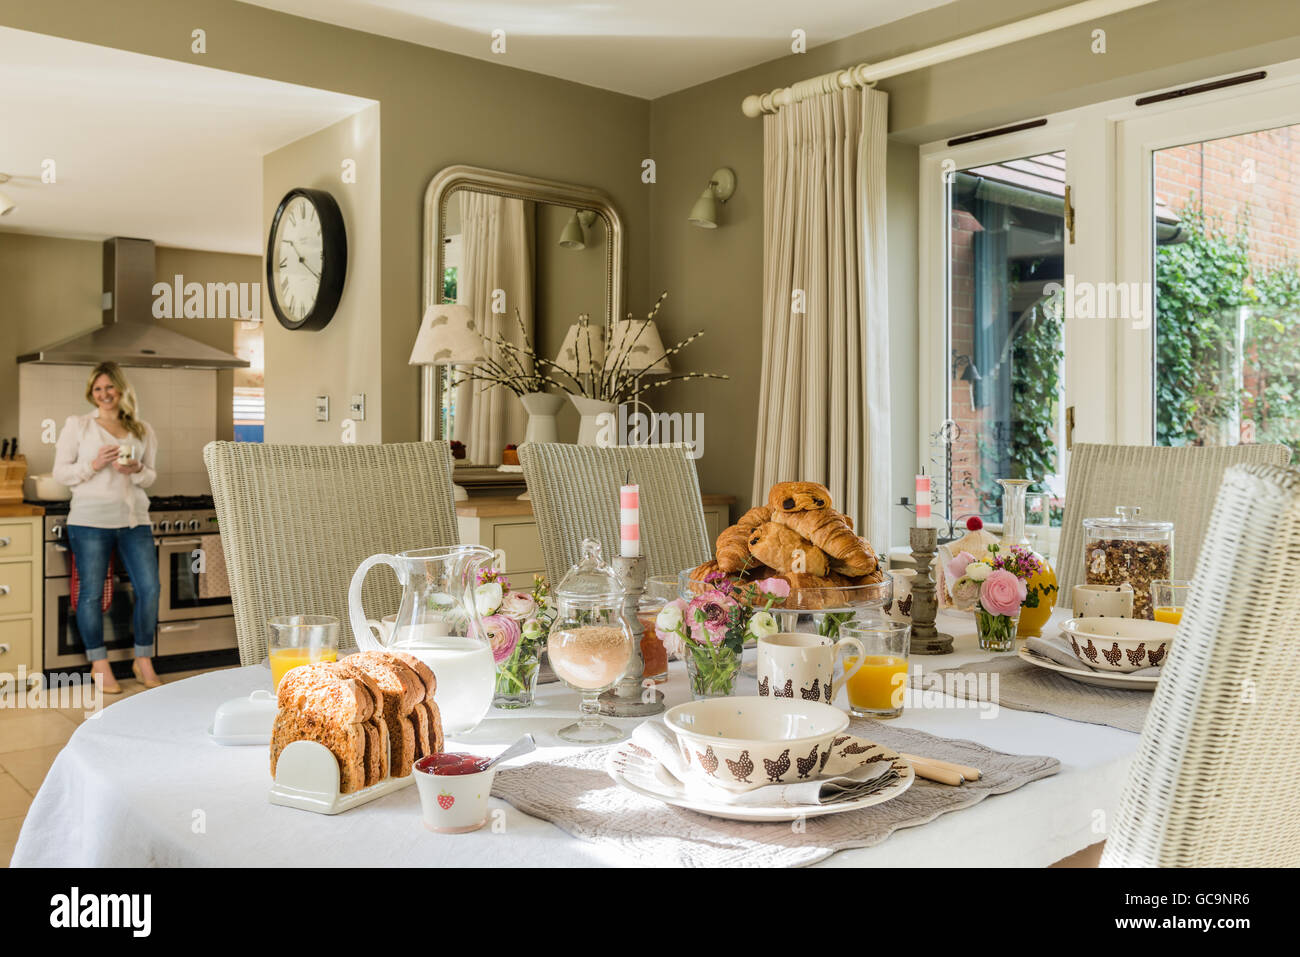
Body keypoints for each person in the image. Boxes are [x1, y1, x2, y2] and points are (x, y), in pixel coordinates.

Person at [52, 361, 161, 693]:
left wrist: (137, 470)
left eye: (109, 387)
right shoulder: (79, 426)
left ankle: (142, 660)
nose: (104, 394)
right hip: (90, 521)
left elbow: (151, 476)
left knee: (150, 589)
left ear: (121, 389)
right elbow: (61, 473)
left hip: (133, 520)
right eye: (97, 389)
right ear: (91, 393)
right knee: (91, 595)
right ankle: (99, 664)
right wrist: (95, 464)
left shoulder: (142, 430)